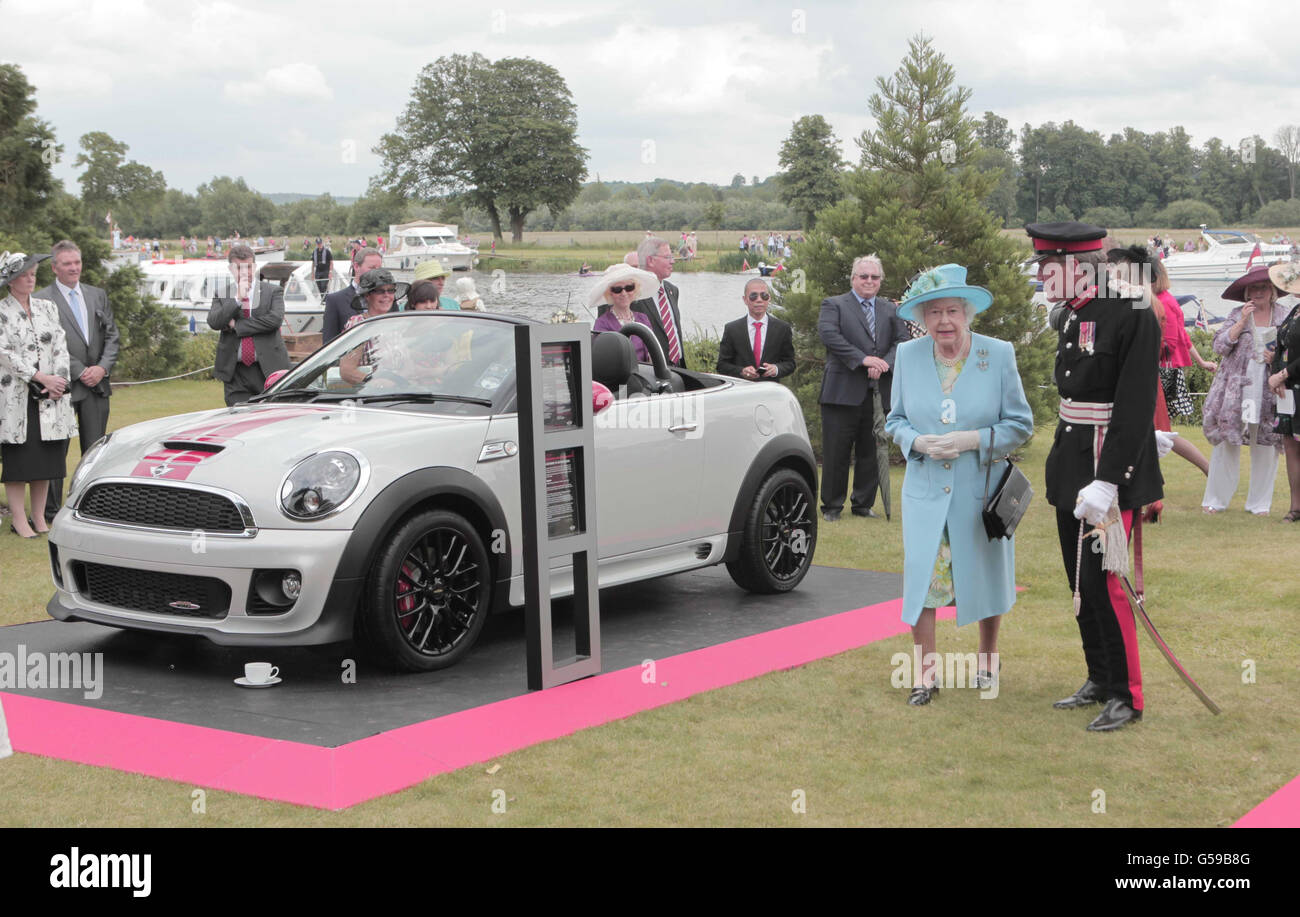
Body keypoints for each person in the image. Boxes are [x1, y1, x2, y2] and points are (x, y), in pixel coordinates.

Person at [1030, 220, 1162, 732]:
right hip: (1073, 459)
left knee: (1108, 584)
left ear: (1078, 266)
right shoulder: (1073, 310)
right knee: (1078, 579)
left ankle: (1128, 694)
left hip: (1110, 466)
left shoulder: (1132, 310)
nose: (1041, 274)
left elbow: (1133, 405)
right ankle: (1099, 676)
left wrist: (1109, 480)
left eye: (1048, 266)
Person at [885, 265, 1033, 705]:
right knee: (923, 580)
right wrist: (916, 441)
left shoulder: (997, 353)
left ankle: (988, 660)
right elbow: (894, 421)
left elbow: (1020, 424)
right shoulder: (908, 355)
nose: (944, 321)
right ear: (922, 318)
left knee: (986, 576)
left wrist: (974, 441)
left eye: (952, 311)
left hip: (980, 491)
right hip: (925, 491)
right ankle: (925, 674)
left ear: (967, 313)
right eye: (934, 313)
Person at [1107, 246, 1210, 486]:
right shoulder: (1141, 301)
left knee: (1159, 433)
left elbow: (1170, 342)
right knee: (1157, 434)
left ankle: (1202, 470)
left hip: (1156, 374)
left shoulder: (1155, 303)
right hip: (1148, 373)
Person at [817, 254, 908, 521]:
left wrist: (883, 364)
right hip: (841, 392)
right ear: (853, 278)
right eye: (864, 276)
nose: (869, 281)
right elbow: (830, 336)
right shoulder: (834, 305)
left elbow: (902, 340)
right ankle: (832, 507)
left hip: (877, 392)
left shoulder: (890, 309)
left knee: (871, 450)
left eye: (874, 277)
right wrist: (863, 359)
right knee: (836, 452)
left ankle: (863, 504)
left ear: (880, 281)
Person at [35, 240, 120, 524]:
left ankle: (89, 506)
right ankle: (49, 510)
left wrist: (102, 368)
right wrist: (81, 369)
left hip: (97, 385)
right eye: (67, 264)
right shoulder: (41, 299)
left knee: (94, 450)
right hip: (62, 386)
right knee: (55, 450)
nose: (74, 268)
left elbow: (112, 336)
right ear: (54, 267)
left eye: (77, 262)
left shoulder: (97, 295)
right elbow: (44, 344)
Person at [1201, 264, 1288, 515]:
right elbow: (1219, 347)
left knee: (1266, 444)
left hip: (1269, 387)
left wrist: (1278, 358)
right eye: (1253, 288)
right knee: (1227, 440)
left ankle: (1260, 504)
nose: (1258, 292)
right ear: (1246, 292)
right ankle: (1216, 499)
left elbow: (1292, 350)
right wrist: (1239, 323)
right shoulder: (1236, 313)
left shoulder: (1284, 315)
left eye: (1263, 287)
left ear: (1272, 291)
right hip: (1235, 386)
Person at [0, 252, 76, 538]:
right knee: (20, 462)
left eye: (33, 273)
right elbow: (4, 353)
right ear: (11, 281)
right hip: (16, 397)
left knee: (45, 461)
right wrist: (38, 376)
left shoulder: (47, 307)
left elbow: (60, 344)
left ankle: (39, 517)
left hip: (50, 397)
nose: (31, 278)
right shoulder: (2, 312)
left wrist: (59, 381)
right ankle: (19, 520)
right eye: (24, 274)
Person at [207, 244, 290, 406]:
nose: (245, 273)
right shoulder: (223, 294)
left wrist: (237, 326)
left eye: (249, 267)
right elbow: (214, 322)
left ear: (255, 266)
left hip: (268, 367)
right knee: (238, 419)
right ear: (231, 269)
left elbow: (274, 320)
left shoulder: (272, 292)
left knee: (270, 417)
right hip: (235, 372)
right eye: (239, 268)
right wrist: (237, 298)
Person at [1267, 260, 1300, 522]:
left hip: (1295, 383)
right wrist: (1275, 374)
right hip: (1289, 391)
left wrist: (1283, 374)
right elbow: (1282, 347)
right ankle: (1295, 506)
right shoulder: (1295, 310)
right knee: (1290, 446)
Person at [715, 278, 796, 381]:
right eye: (753, 296)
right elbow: (721, 365)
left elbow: (790, 363)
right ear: (745, 299)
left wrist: (776, 369)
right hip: (742, 390)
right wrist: (741, 371)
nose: (759, 300)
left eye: (764, 296)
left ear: (769, 298)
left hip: (770, 390)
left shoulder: (782, 328)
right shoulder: (732, 329)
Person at [339, 269, 408, 384]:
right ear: (367, 295)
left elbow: (407, 364)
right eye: (380, 291)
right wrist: (375, 383)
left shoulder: (394, 324)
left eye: (391, 291)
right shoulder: (359, 324)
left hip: (397, 391)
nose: (387, 295)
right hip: (368, 394)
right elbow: (346, 370)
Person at [629, 236, 686, 369]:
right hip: (649, 371)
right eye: (667, 257)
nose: (673, 261)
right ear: (650, 260)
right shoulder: (630, 292)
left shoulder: (672, 290)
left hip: (679, 368)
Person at [589, 263, 658, 363]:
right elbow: (604, 360)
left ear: (635, 290)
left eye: (629, 288)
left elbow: (651, 354)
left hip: (644, 374)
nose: (624, 293)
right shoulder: (602, 323)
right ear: (610, 293)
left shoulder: (643, 319)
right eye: (617, 290)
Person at [322, 247, 382, 344]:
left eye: (379, 269)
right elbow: (328, 343)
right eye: (372, 268)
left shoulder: (388, 298)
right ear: (356, 266)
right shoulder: (335, 301)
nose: (377, 273)